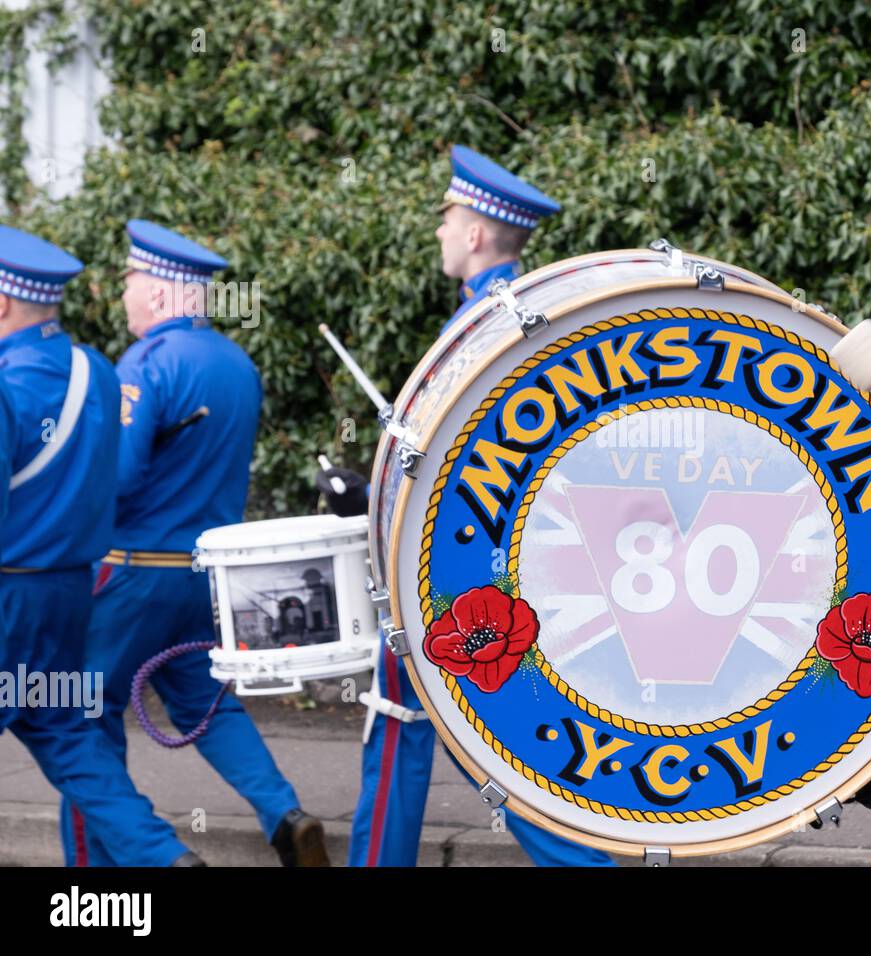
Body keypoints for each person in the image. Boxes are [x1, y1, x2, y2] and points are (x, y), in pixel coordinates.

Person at [324, 146, 615, 867]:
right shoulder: (507, 313)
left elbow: (472, 465)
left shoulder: (490, 322)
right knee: (452, 738)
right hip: (465, 569)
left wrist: (379, 499)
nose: (440, 232)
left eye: (448, 218)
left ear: (478, 232)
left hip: (456, 575)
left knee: (470, 747)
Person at [58, 220, 328, 867]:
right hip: (203, 578)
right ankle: (285, 814)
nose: (122, 293)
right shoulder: (237, 363)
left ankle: (123, 863)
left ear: (156, 290)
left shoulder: (148, 363)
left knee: (81, 721)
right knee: (205, 703)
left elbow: (117, 479)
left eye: (127, 279)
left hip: (132, 574)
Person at [0, 225, 196, 866]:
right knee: (64, 734)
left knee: (64, 732)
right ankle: (164, 858)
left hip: (9, 596)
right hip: (70, 592)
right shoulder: (100, 372)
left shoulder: (8, 386)